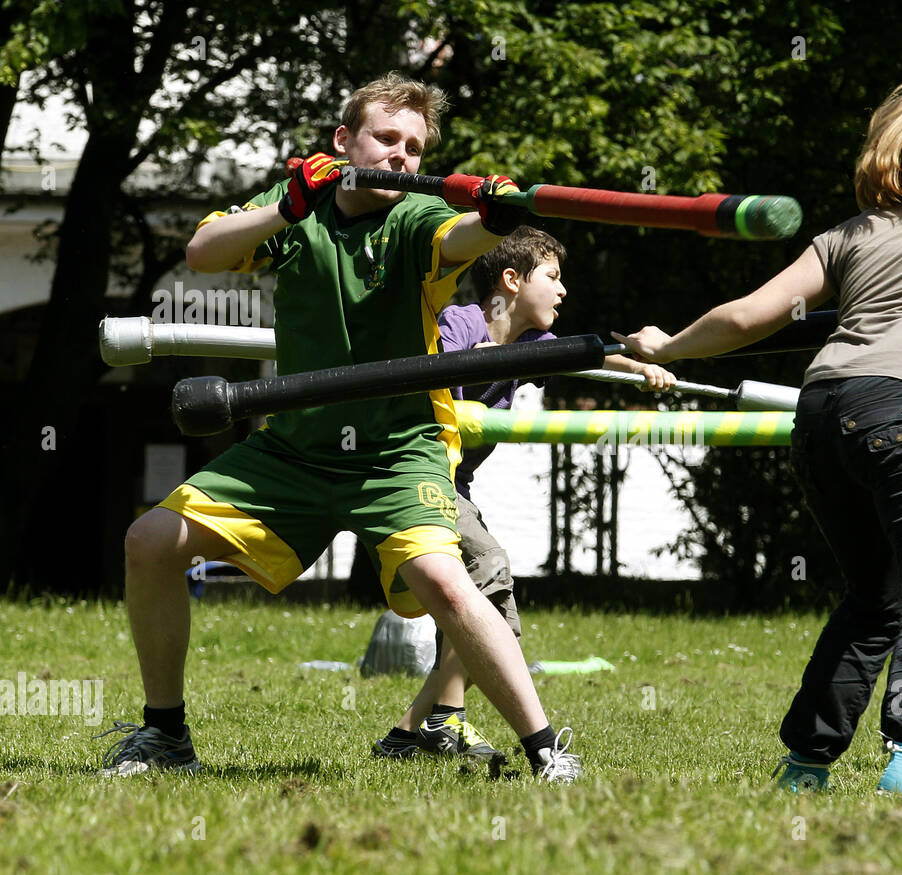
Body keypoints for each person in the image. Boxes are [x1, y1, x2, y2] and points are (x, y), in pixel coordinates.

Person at [101, 73, 582, 783]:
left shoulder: (415, 219)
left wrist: (498, 218)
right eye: (386, 139)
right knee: (149, 542)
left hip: (398, 453)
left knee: (451, 589)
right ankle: (165, 737)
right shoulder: (296, 207)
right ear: (343, 140)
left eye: (414, 148)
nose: (400, 158)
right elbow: (203, 253)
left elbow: (462, 239)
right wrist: (288, 206)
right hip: (295, 450)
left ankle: (547, 754)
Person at [615, 81, 902, 797]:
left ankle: (806, 764)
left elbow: (754, 315)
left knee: (876, 596)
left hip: (821, 413)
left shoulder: (850, 233)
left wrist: (668, 346)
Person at [370, 225, 675, 766]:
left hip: (454, 485)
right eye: (552, 278)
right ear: (510, 281)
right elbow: (427, 369)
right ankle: (449, 726)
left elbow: (592, 357)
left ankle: (419, 729)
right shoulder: (458, 323)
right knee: (488, 574)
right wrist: (483, 356)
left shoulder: (531, 345)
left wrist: (642, 367)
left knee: (480, 602)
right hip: (416, 474)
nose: (562, 291)